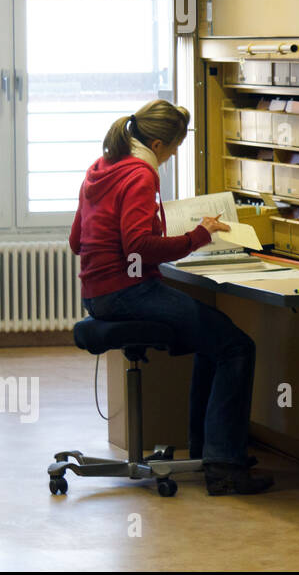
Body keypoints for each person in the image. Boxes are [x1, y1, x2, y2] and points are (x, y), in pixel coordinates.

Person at [68, 100, 273, 496]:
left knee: (212, 341)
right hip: (129, 292)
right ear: (159, 143)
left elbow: (77, 240)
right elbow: (140, 245)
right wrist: (200, 235)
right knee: (236, 347)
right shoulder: (140, 175)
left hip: (98, 294)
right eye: (176, 147)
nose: (176, 154)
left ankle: (210, 450)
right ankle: (224, 466)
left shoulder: (101, 167)